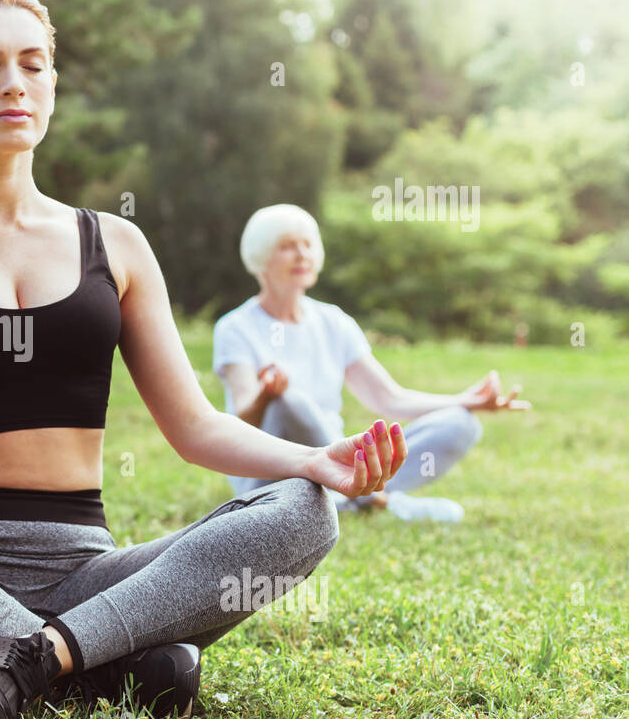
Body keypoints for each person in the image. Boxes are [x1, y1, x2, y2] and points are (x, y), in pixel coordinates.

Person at [0, 0, 405, 719]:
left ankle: (28, 660)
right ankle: (101, 660)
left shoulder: (115, 245)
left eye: (33, 64)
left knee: (304, 509)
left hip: (87, 572)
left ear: (52, 84)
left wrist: (318, 458)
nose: (13, 81)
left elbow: (195, 426)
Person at [212, 204, 530, 522]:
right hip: (271, 475)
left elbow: (389, 399)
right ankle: (374, 499)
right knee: (289, 401)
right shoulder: (235, 327)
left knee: (462, 422)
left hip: (337, 462)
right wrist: (268, 394)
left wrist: (470, 401)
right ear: (261, 257)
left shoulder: (334, 322)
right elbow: (243, 417)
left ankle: (354, 496)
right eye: (286, 246)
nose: (301, 254)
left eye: (307, 244)